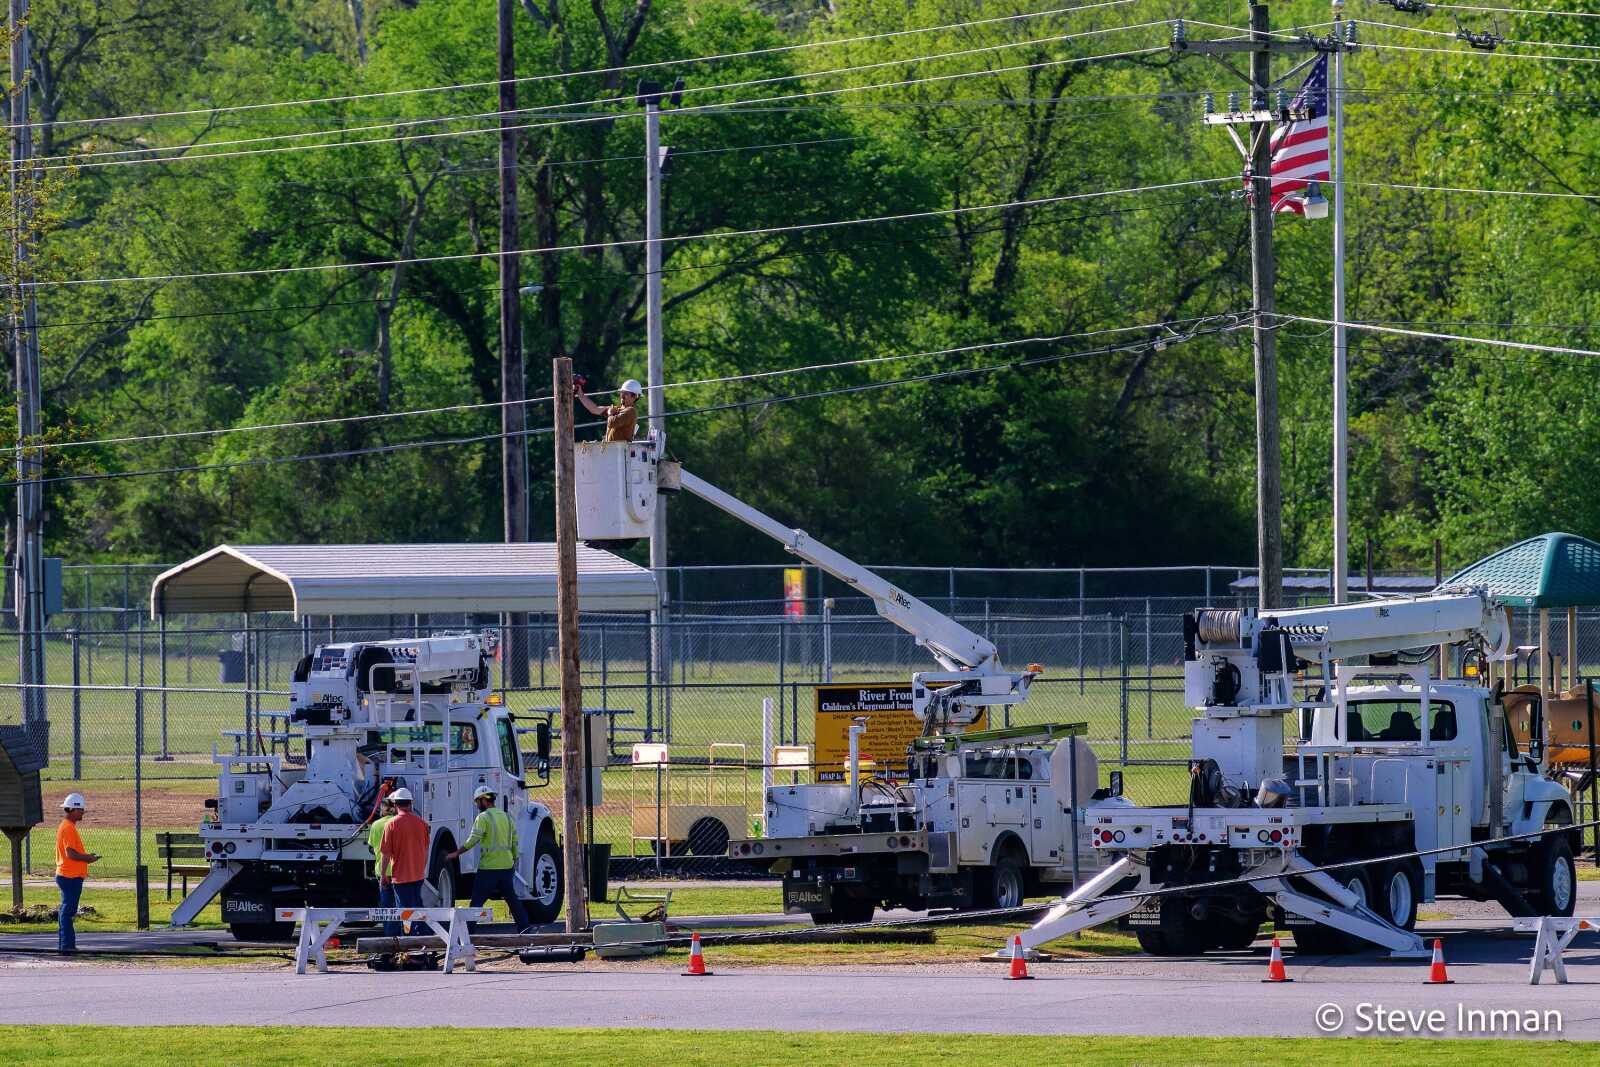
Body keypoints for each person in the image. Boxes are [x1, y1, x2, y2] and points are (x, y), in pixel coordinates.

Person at [448, 787, 529, 931]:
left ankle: (468, 932)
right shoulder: (506, 817)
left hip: (488, 868)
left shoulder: (483, 817)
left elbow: (473, 840)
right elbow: (514, 841)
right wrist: (514, 858)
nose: (477, 805)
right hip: (506, 867)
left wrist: (456, 853)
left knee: (477, 902)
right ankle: (524, 928)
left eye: (477, 802)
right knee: (512, 899)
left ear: (484, 800)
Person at [377, 788, 431, 938]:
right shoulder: (422, 823)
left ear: (395, 804)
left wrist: (383, 875)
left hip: (400, 877)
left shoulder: (391, 824)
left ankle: (408, 941)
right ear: (411, 803)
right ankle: (423, 938)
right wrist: (421, 869)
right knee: (417, 908)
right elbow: (426, 850)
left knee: (405, 912)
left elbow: (386, 854)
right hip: (418, 875)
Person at [55, 793, 100, 954]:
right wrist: (88, 858)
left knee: (66, 911)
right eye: (81, 809)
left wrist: (87, 857)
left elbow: (72, 852)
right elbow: (71, 854)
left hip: (69, 875)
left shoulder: (68, 826)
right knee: (67, 912)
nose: (83, 812)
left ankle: (66, 945)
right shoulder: (68, 827)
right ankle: (67, 946)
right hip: (70, 876)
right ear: (73, 809)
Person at [576, 378, 641, 442]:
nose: (622, 396)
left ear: (635, 396)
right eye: (622, 392)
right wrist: (580, 393)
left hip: (620, 448)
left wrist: (610, 413)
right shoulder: (617, 409)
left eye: (626, 393)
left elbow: (612, 423)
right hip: (612, 447)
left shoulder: (631, 412)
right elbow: (594, 409)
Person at [367, 796, 398, 909]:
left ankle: (388, 921)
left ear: (383, 808)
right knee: (400, 906)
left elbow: (371, 847)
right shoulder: (398, 822)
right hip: (398, 870)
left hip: (382, 869)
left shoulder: (376, 825)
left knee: (386, 906)